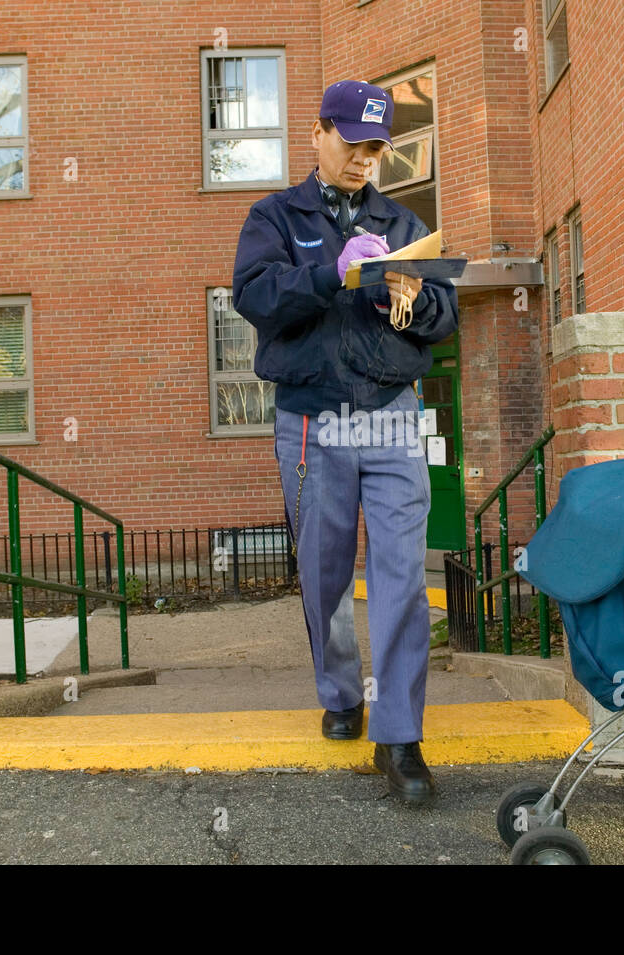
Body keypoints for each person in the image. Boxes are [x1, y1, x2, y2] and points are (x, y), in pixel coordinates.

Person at [232, 80, 459, 805]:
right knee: (326, 576)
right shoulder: (274, 217)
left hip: (392, 415)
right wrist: (330, 272)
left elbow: (445, 312)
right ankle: (339, 691)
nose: (365, 158)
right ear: (317, 135)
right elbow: (256, 297)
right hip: (312, 421)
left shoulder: (403, 222)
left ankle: (399, 738)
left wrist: (414, 298)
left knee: (401, 578)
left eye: (376, 147)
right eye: (353, 142)